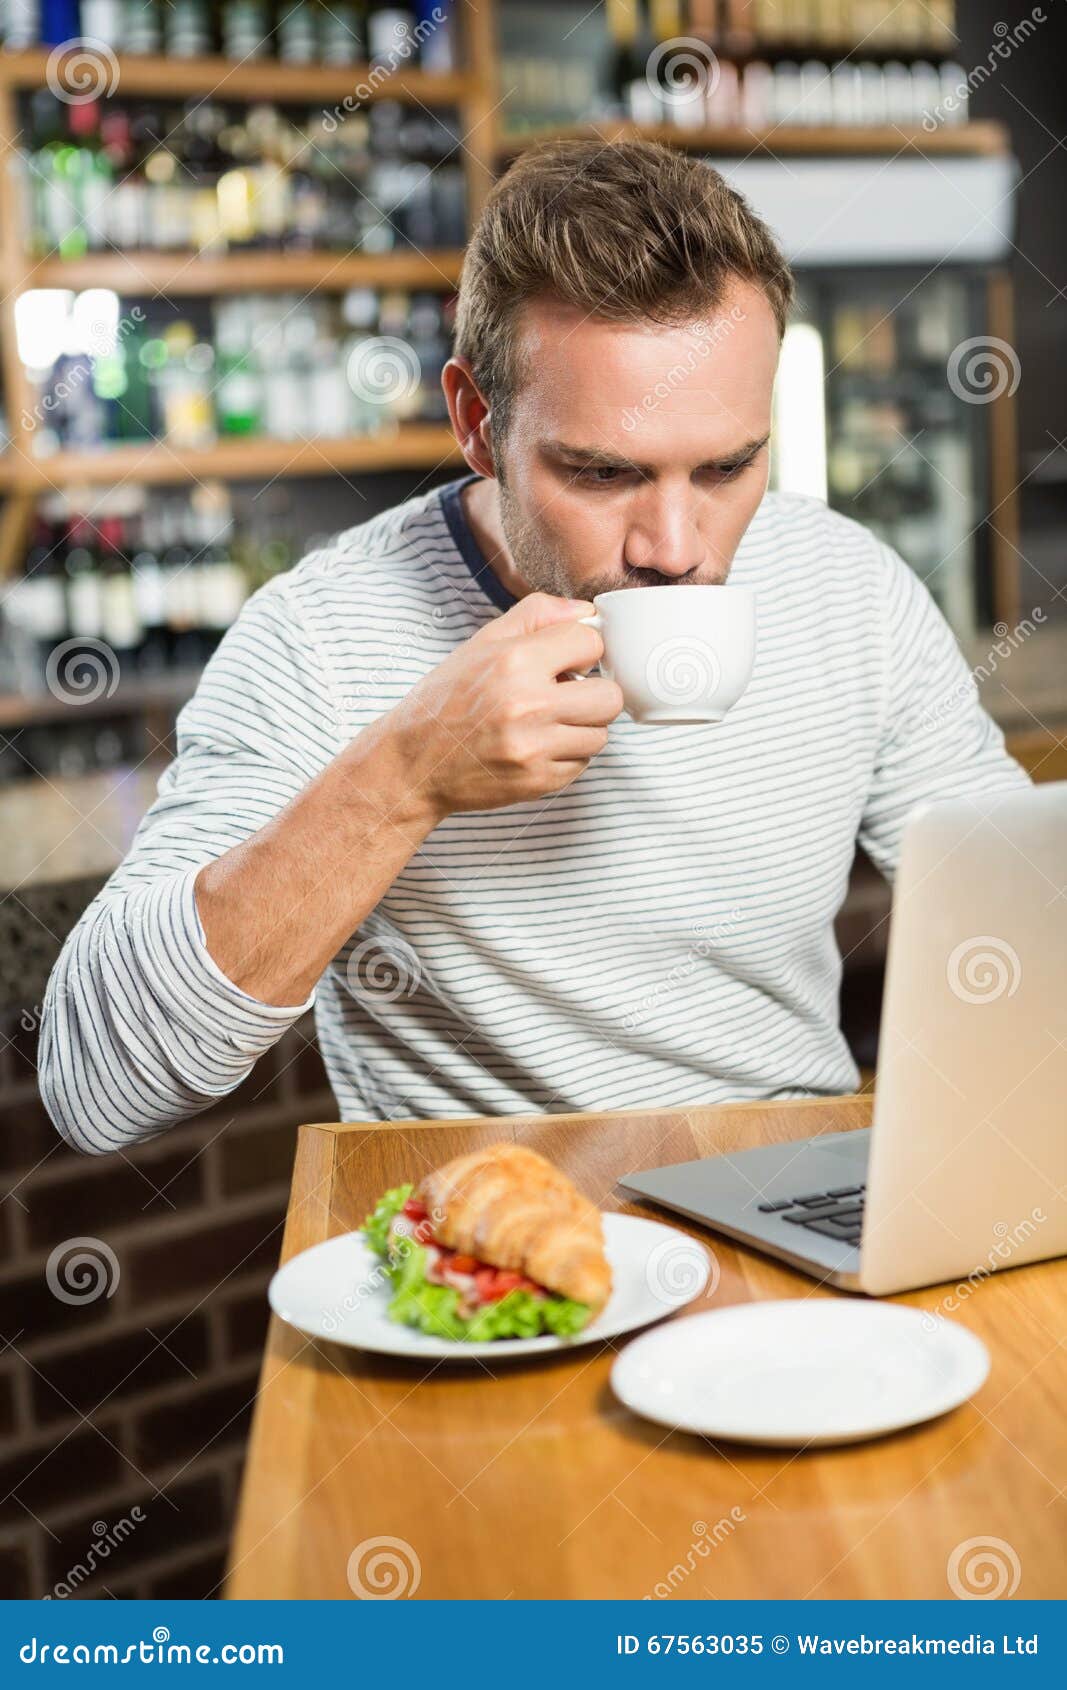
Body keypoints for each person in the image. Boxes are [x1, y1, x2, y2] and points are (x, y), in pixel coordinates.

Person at [39, 139, 1029, 1154]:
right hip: (489, 1258)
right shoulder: (318, 639)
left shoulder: (848, 587)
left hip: (787, 1213)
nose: (676, 551)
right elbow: (99, 1087)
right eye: (603, 475)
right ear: (476, 419)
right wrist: (403, 775)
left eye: (728, 467)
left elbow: (1028, 924)